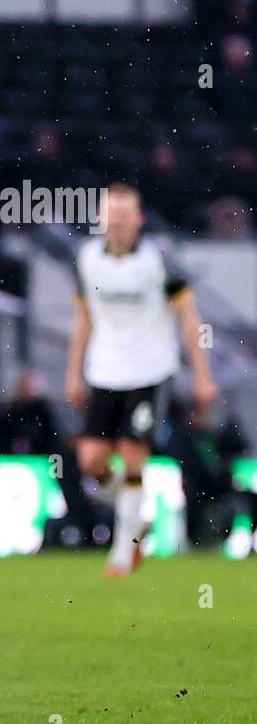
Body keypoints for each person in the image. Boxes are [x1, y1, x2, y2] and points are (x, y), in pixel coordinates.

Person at [64, 184, 218, 576]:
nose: (116, 220)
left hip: (150, 372)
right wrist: (73, 373)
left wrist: (202, 374)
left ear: (139, 219)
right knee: (91, 462)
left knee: (133, 458)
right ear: (100, 219)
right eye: (110, 213)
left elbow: (188, 317)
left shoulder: (159, 259)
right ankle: (135, 520)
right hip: (104, 370)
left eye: (124, 213)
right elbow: (84, 320)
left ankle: (122, 551)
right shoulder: (85, 259)